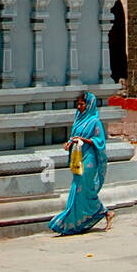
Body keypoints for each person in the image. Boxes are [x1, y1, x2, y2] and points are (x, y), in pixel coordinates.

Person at [48, 92, 114, 236]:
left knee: (83, 189)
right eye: (77, 104)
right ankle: (101, 214)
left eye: (82, 104)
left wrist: (84, 139)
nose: (79, 107)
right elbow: (73, 137)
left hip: (89, 159)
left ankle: (97, 214)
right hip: (77, 157)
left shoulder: (95, 122)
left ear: (89, 105)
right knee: (80, 190)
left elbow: (100, 141)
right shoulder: (78, 119)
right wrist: (69, 143)